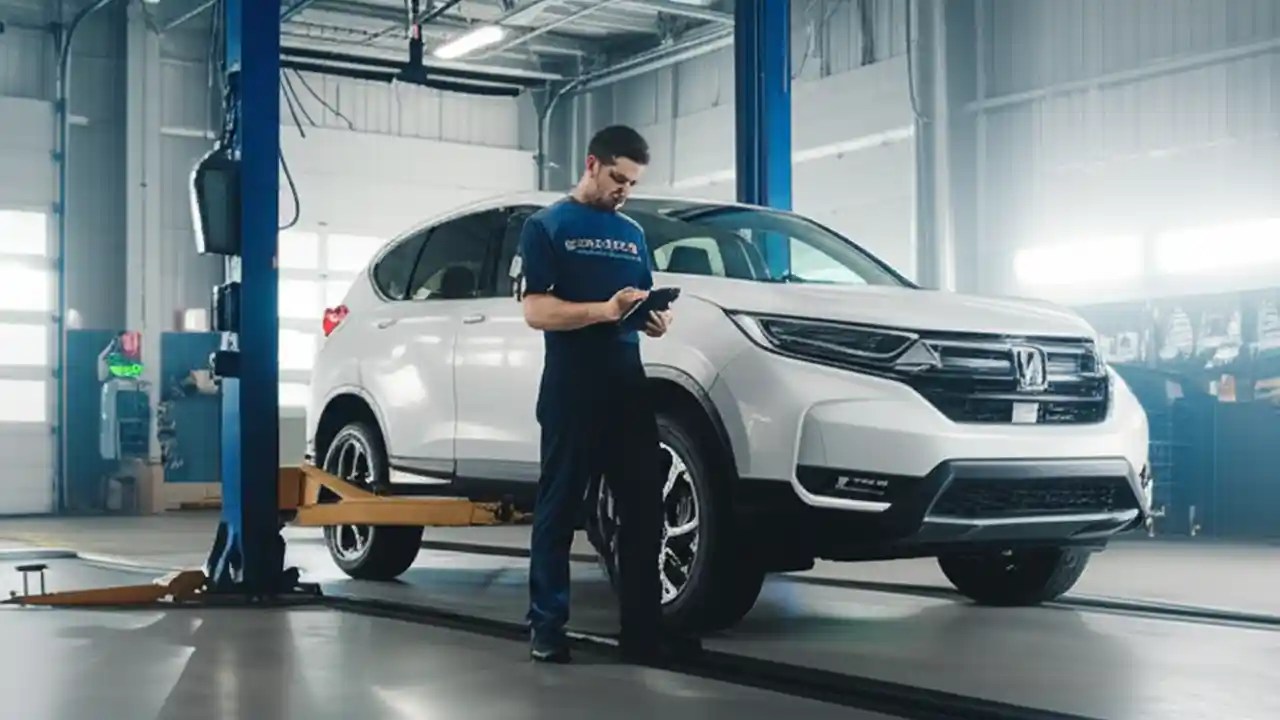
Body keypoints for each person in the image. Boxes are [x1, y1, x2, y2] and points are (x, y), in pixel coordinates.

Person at [516, 125, 685, 664]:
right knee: (559, 506)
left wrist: (650, 318)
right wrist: (603, 311)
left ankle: (641, 631)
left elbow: (634, 300)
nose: (624, 191)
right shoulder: (545, 226)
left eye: (632, 183)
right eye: (618, 178)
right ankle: (547, 627)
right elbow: (535, 311)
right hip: (572, 385)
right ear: (592, 164)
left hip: (627, 386)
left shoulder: (633, 233)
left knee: (643, 510)